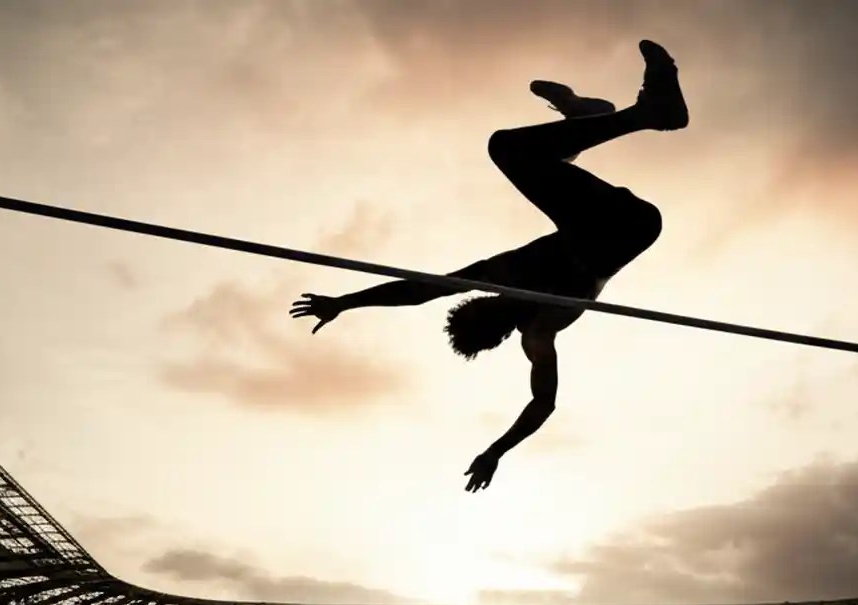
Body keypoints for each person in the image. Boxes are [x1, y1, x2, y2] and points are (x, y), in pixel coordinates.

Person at [290, 39, 687, 493]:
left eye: (480, 306)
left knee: (515, 150)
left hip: (620, 220)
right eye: (485, 312)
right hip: (623, 225)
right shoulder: (533, 321)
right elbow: (543, 403)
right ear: (495, 324)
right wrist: (496, 450)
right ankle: (636, 116)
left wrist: (346, 302)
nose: (488, 304)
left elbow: (421, 290)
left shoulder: (512, 288)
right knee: (508, 149)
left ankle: (589, 121)